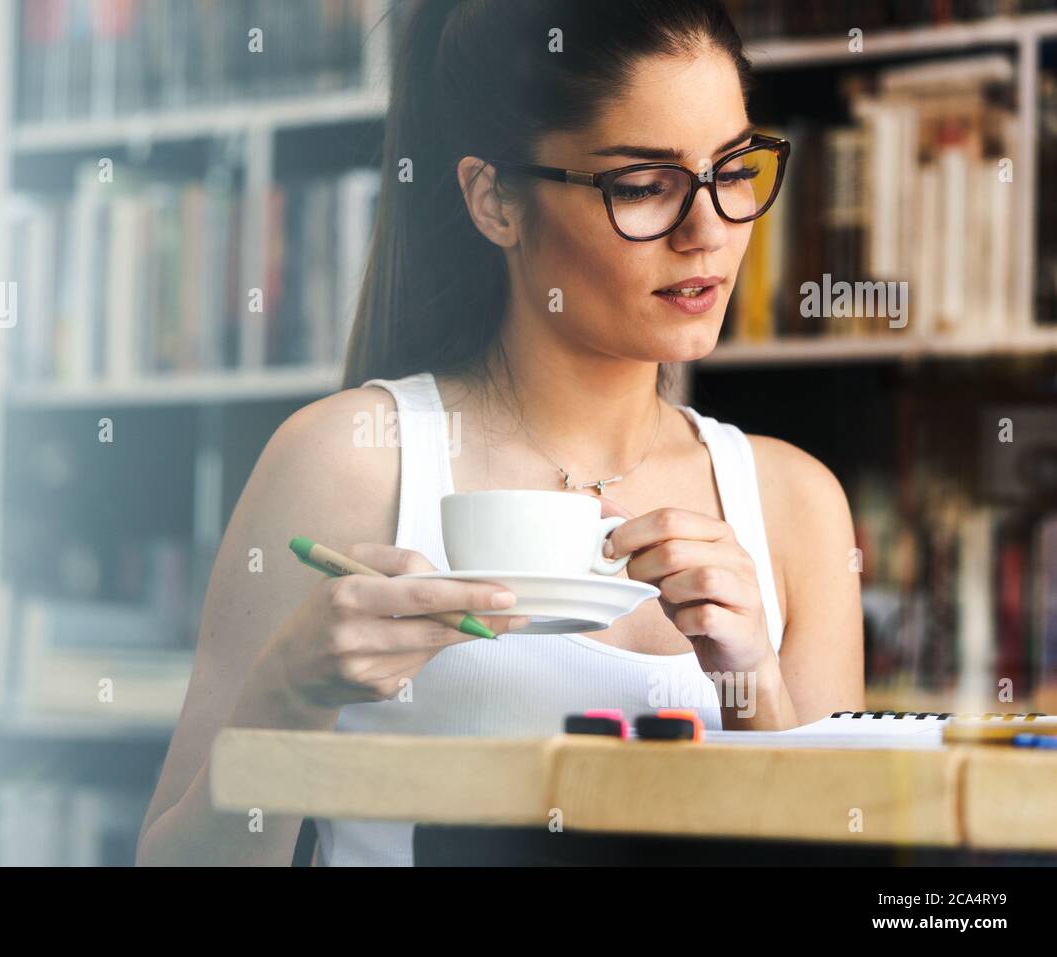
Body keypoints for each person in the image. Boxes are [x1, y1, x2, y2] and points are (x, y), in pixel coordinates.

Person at [138, 0, 864, 867]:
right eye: (642, 185)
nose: (708, 230)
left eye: (734, 169)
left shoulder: (795, 505)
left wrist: (758, 698)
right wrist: (289, 692)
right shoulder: (351, 463)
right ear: (495, 200)